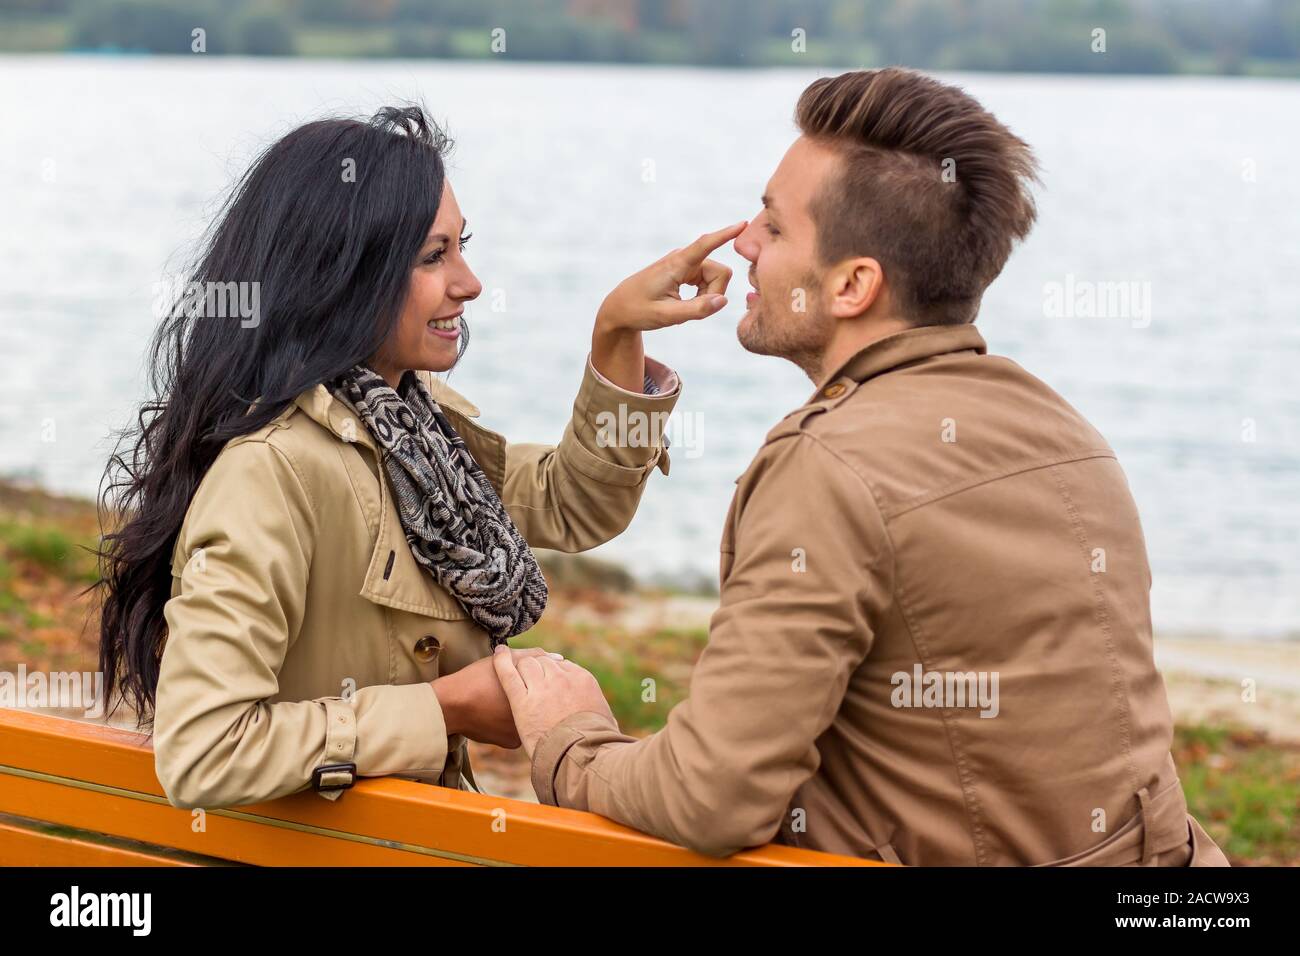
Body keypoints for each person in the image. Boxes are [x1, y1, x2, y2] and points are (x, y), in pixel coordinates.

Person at [495, 68, 1231, 867]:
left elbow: (708, 799)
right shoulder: (1066, 430)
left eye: (773, 230)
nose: (742, 243)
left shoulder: (828, 466)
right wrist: (614, 338)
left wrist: (570, 743)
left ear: (851, 286)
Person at [96, 104, 740, 809]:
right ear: (344, 271)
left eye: (462, 247)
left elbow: (571, 503)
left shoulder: (417, 427)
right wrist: (444, 709)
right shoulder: (272, 471)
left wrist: (616, 333)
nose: (469, 283)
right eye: (434, 257)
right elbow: (205, 751)